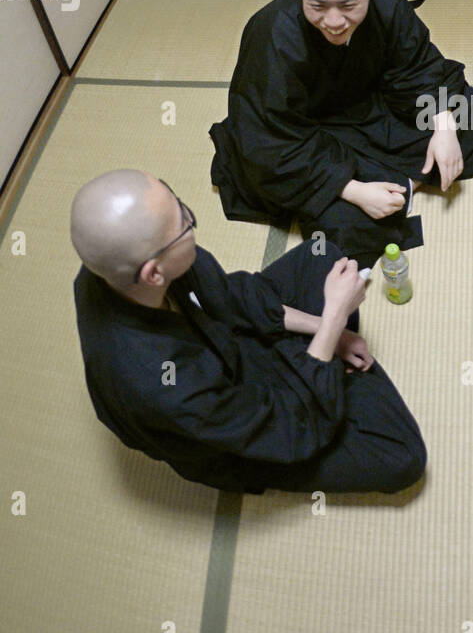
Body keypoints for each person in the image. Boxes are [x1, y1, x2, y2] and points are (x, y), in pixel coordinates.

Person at [71, 170, 426, 495]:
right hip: (234, 424)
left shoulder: (116, 269)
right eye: (183, 223)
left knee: (322, 258)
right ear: (153, 274)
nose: (190, 222)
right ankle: (319, 379)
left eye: (178, 204)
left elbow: (228, 296)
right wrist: (334, 320)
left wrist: (325, 330)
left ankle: (315, 370)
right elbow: (291, 429)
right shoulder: (162, 385)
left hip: (223, 342)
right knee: (401, 456)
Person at [210, 0, 473, 263]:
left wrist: (443, 125)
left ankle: (399, 181)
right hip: (311, 137)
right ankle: (392, 183)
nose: (333, 21)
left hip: (374, 107)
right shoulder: (272, 34)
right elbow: (267, 141)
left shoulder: (385, 0)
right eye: (318, 5)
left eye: (348, 5)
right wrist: (353, 190)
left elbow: (417, 65)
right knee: (341, 227)